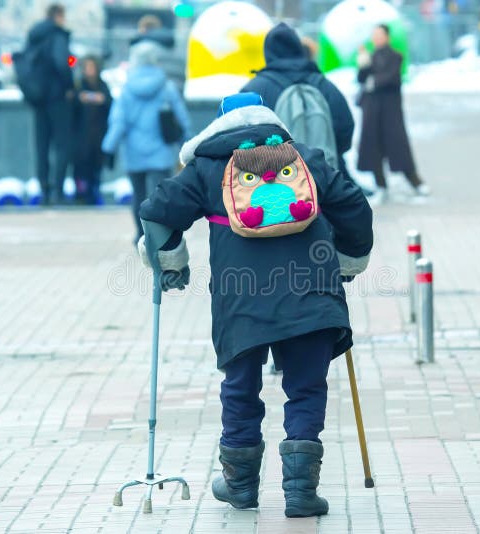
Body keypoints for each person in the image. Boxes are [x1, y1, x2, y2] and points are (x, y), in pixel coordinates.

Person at [138, 94, 373, 517]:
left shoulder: (207, 167)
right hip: (311, 289)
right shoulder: (304, 159)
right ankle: (301, 492)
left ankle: (240, 486)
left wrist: (172, 263)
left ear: (220, 124)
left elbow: (157, 212)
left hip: (240, 295)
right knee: (306, 386)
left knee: (241, 386)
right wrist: (348, 260)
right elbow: (354, 205)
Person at [101, 41, 191, 244]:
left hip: (134, 153)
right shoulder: (166, 87)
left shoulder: (127, 90)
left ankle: (141, 236)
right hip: (161, 152)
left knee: (139, 195)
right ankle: (160, 235)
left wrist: (108, 148)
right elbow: (182, 119)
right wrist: (187, 145)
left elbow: (118, 123)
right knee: (161, 196)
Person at [241, 23, 354, 176]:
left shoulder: (254, 90)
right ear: (298, 48)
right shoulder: (325, 86)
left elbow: (240, 137)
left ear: (267, 52)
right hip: (323, 178)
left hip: (270, 181)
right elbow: (345, 128)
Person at [357, 24, 429, 201]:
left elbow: (391, 77)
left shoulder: (395, 56)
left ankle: (416, 182)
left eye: (380, 34)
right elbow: (361, 79)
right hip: (372, 109)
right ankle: (380, 185)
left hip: (390, 109)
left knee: (398, 145)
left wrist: (373, 82)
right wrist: (363, 63)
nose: (376, 37)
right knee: (373, 147)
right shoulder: (371, 56)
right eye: (374, 34)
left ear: (387, 37)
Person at [25, 3, 74, 205]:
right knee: (61, 145)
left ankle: (44, 190)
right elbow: (62, 62)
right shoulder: (57, 35)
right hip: (57, 97)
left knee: (42, 146)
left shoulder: (34, 36)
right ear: (58, 16)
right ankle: (58, 191)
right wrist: (69, 85)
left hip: (38, 98)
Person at [73, 56, 111, 205]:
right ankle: (81, 194)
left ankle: (94, 192)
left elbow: (108, 102)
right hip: (82, 136)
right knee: (81, 167)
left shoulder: (102, 85)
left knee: (97, 166)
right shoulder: (79, 85)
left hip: (98, 134)